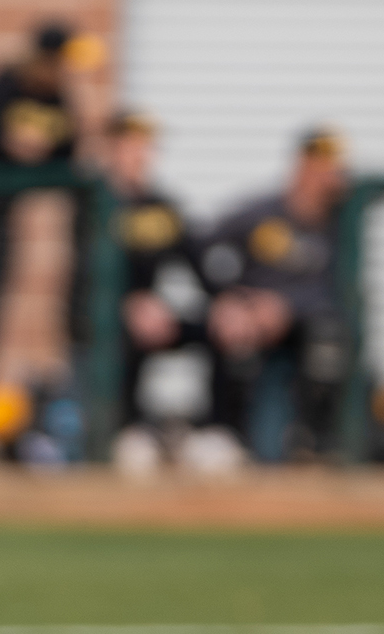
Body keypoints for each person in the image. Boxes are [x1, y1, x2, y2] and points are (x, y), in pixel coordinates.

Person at [0, 21, 102, 432]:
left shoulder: (58, 98)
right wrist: (11, 146)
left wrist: (43, 147)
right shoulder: (7, 84)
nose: (69, 72)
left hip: (0, 220)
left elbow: (67, 150)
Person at [191, 127, 349, 464]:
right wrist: (230, 300)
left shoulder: (342, 225)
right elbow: (203, 247)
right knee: (227, 340)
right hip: (254, 331)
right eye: (318, 169)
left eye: (332, 171)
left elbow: (342, 288)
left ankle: (317, 441)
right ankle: (226, 436)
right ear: (300, 169)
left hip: (304, 332)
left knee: (327, 340)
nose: (325, 179)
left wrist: (286, 307)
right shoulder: (260, 213)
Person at [101, 111, 208, 473]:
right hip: (102, 315)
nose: (139, 156)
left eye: (145, 148)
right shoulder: (93, 202)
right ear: (111, 151)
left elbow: (199, 264)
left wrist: (231, 304)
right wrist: (127, 303)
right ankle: (125, 431)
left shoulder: (161, 206)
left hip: (152, 313)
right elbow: (80, 274)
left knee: (212, 329)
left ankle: (214, 432)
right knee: (124, 337)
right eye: (130, 147)